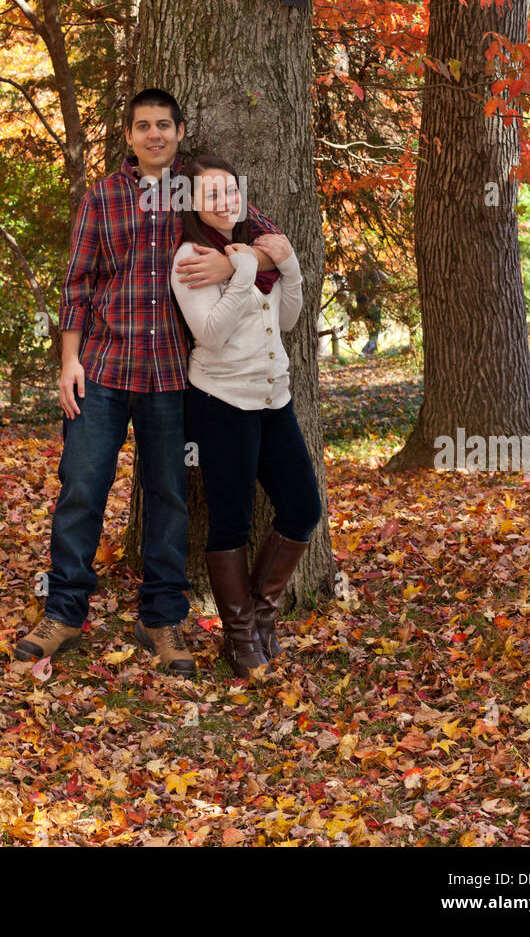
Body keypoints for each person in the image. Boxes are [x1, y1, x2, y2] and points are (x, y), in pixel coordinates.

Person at [14, 91, 281, 676]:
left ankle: (161, 620)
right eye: (143, 126)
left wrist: (235, 263)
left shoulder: (203, 191)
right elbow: (77, 282)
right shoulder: (103, 197)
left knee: (168, 498)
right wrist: (69, 360)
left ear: (180, 131)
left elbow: (274, 245)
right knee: (82, 490)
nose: (154, 135)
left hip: (171, 376)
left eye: (164, 125)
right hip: (103, 370)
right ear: (130, 136)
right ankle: (64, 612)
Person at [170, 155, 322, 677]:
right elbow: (208, 332)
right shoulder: (191, 257)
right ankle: (239, 639)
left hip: (273, 398)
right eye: (211, 195)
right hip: (222, 403)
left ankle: (260, 619)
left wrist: (288, 265)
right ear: (190, 201)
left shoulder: (256, 248)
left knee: (302, 508)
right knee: (230, 522)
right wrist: (243, 270)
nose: (224, 202)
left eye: (230, 192)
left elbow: (288, 317)